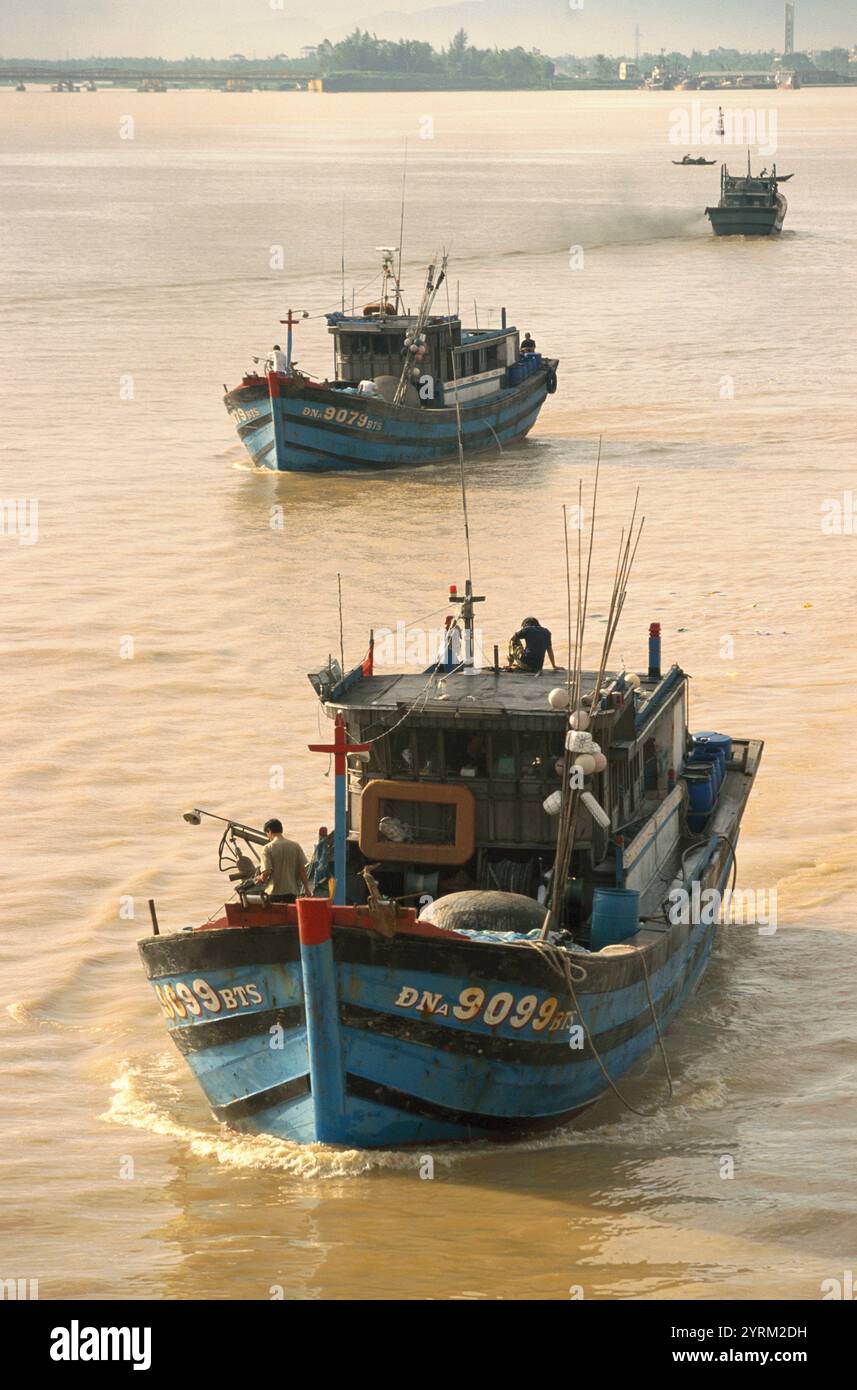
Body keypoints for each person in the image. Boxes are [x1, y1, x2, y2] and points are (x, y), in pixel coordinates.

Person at [254, 819, 309, 902]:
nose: (268, 837)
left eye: (267, 834)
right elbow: (302, 870)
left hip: (274, 892)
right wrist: (307, 889)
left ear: (269, 831)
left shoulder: (267, 848)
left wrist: (260, 878)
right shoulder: (295, 846)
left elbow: (267, 871)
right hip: (291, 892)